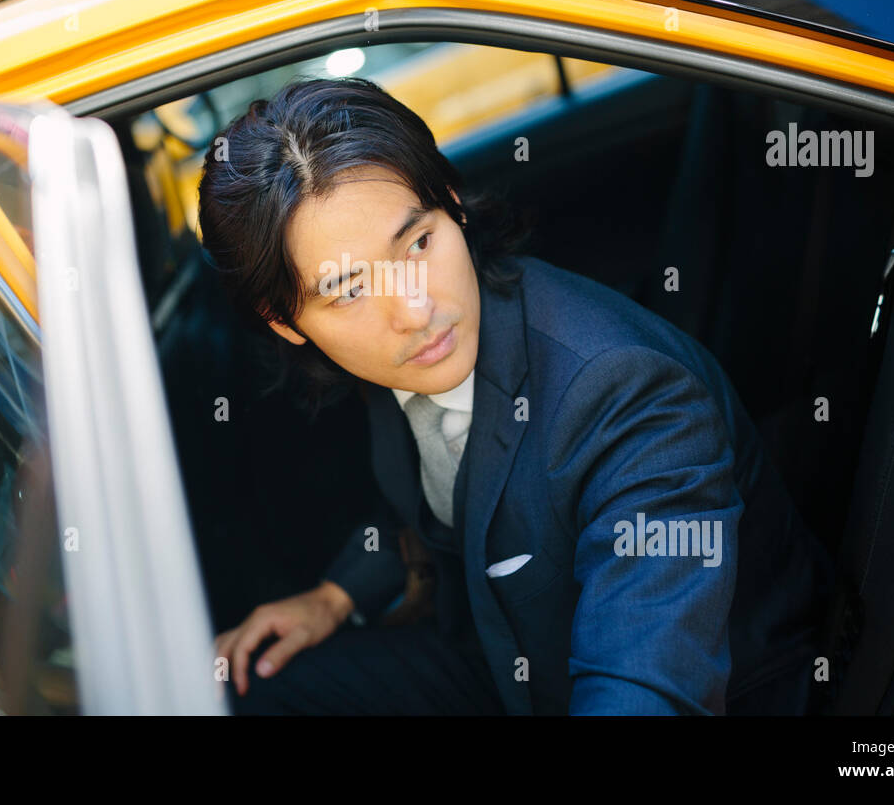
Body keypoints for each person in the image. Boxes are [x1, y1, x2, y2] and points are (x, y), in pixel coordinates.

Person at [198, 76, 833, 714]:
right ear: (286, 321)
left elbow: (646, 688)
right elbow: (433, 502)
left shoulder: (627, 394)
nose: (416, 310)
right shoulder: (407, 355)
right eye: (349, 291)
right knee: (238, 693)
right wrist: (335, 596)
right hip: (502, 654)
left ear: (452, 203)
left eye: (418, 243)